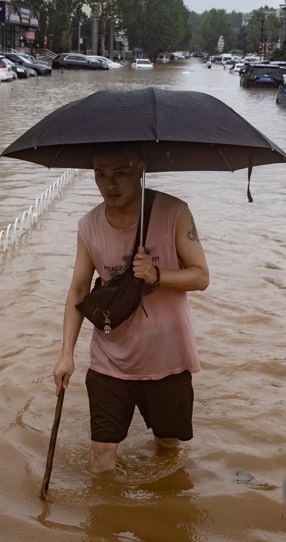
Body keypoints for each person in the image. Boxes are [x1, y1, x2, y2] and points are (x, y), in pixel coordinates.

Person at [53, 145, 210, 473]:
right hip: (109, 360)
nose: (109, 184)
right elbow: (79, 289)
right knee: (101, 453)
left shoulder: (174, 212)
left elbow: (201, 276)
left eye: (120, 173)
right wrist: (66, 353)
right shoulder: (88, 226)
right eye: (100, 174)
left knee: (168, 450)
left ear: (141, 168)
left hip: (168, 360)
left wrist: (158, 275)